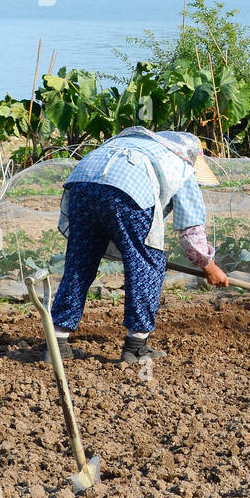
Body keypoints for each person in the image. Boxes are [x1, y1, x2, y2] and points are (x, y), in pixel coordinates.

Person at [49, 127, 230, 363]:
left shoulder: (131, 144)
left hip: (82, 184)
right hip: (128, 189)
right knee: (147, 264)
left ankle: (57, 343)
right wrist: (209, 267)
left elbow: (108, 216)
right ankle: (136, 347)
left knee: (79, 263)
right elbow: (190, 231)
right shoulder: (181, 164)